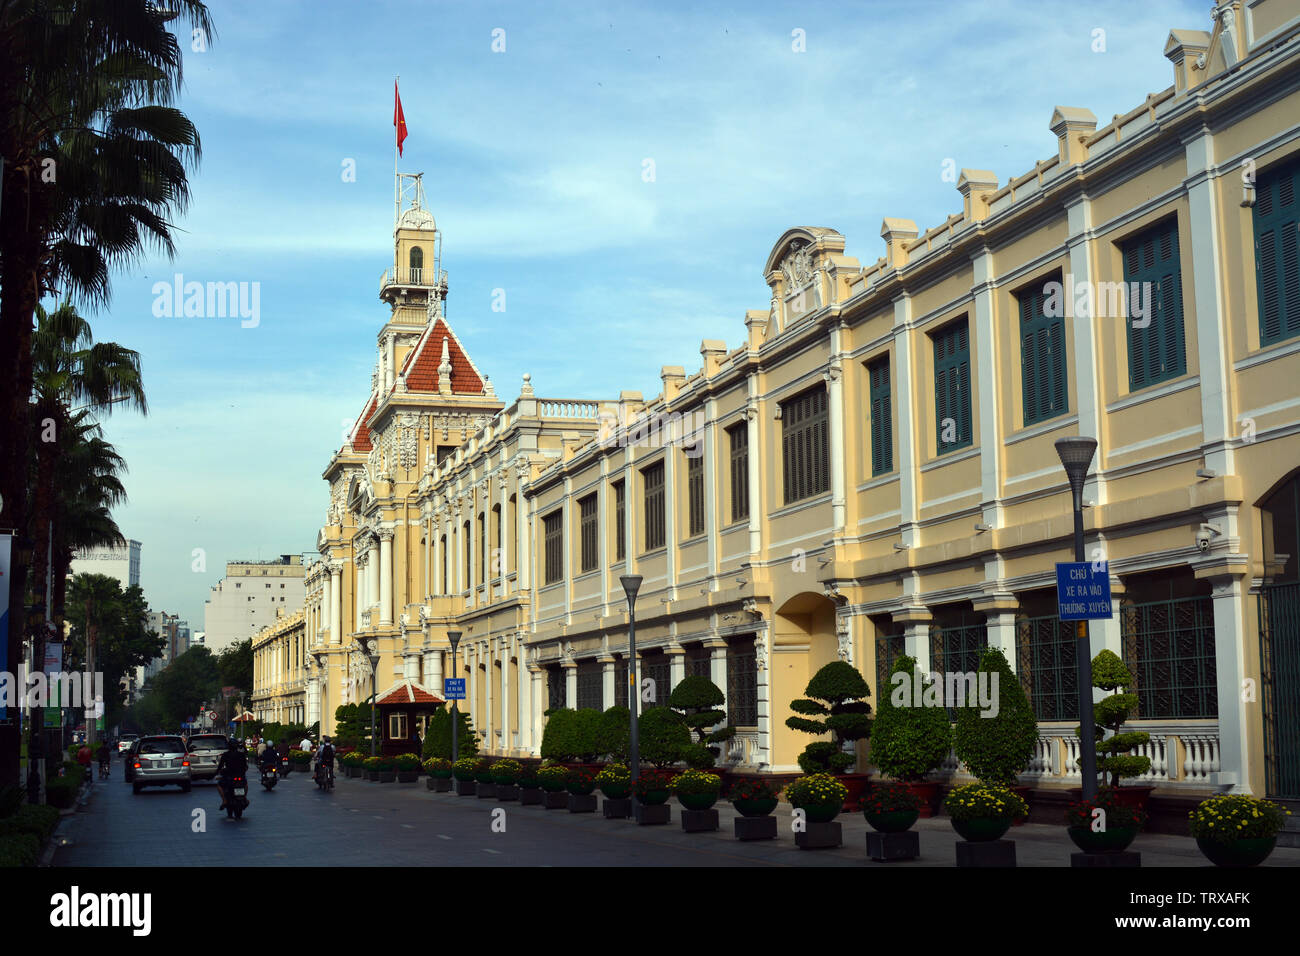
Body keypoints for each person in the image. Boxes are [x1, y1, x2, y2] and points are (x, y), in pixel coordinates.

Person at [215, 739, 249, 810]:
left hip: (229, 776)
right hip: (239, 775)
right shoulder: (241, 755)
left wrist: (216, 773)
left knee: (219, 785)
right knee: (245, 784)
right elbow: (245, 766)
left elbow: (220, 766)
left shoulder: (225, 755)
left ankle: (224, 800)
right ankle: (245, 798)